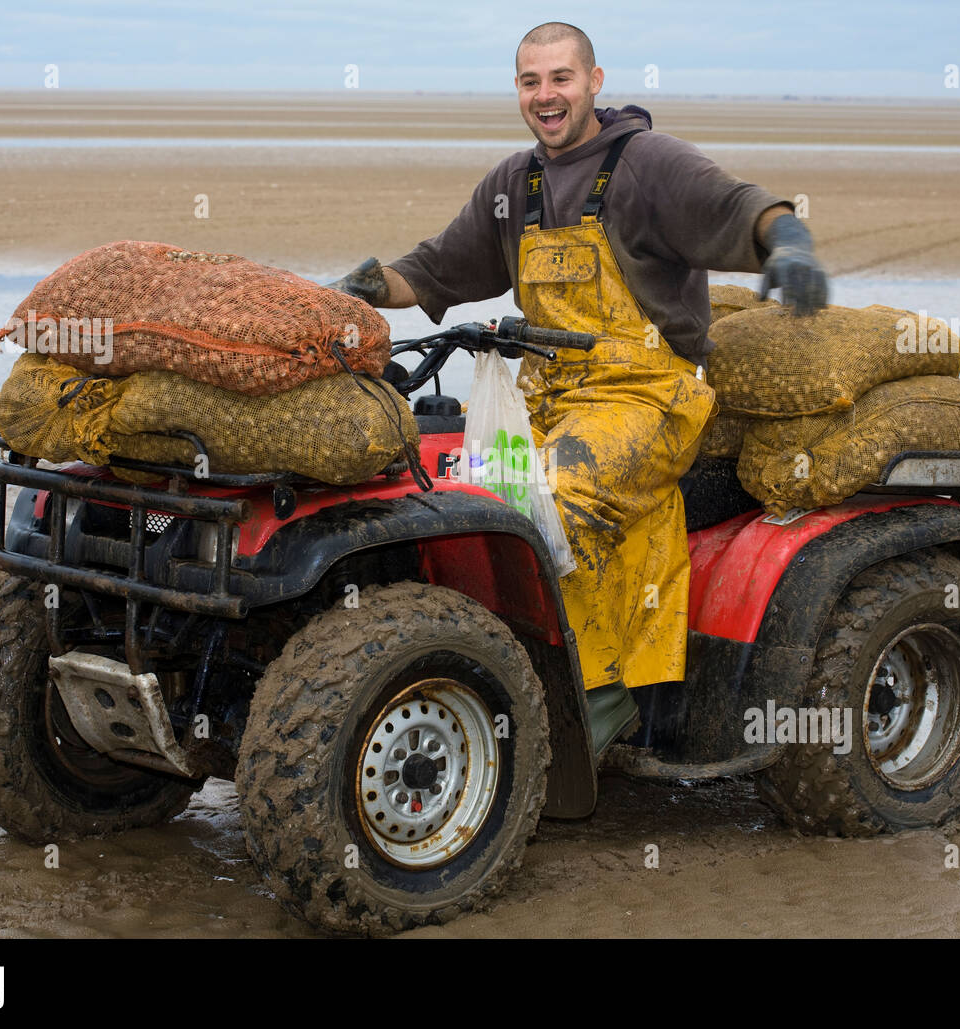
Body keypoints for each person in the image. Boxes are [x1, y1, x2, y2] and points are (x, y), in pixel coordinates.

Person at [328, 21, 828, 754]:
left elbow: (736, 205)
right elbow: (435, 269)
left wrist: (787, 241)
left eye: (560, 78)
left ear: (594, 81)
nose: (546, 95)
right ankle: (491, 670)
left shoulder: (647, 163)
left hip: (647, 396)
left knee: (550, 503)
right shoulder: (514, 184)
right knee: (461, 496)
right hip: (548, 396)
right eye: (531, 82)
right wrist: (362, 289)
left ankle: (601, 696)